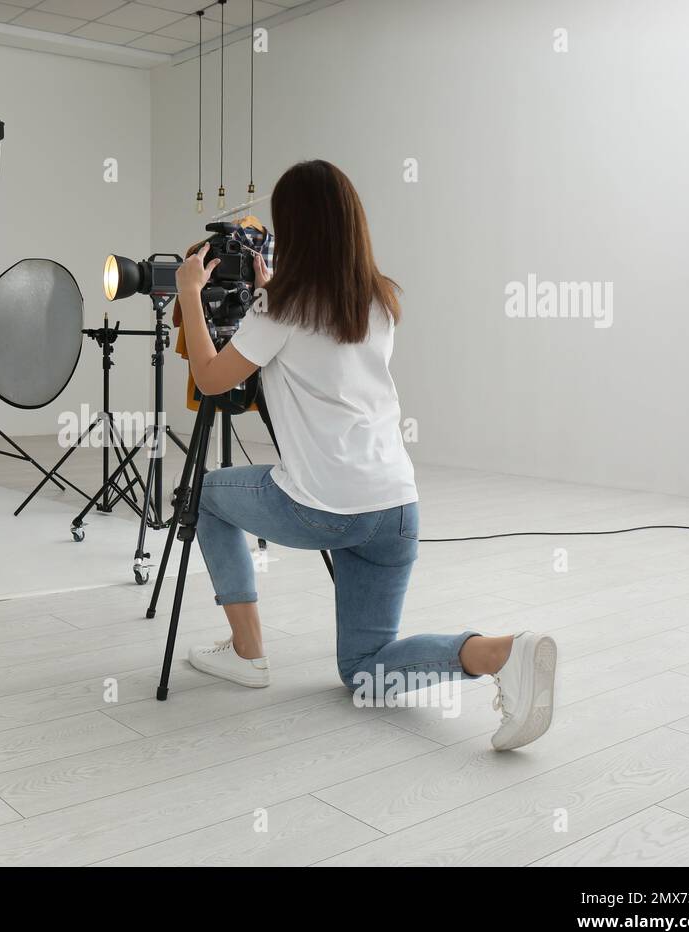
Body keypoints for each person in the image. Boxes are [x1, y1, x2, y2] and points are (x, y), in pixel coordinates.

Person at [173, 159, 557, 751]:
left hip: (321, 508)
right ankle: (501, 653)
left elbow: (212, 377)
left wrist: (190, 294)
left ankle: (248, 653)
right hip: (396, 510)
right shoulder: (379, 302)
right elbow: (322, 345)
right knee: (364, 670)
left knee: (205, 495)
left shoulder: (278, 311)